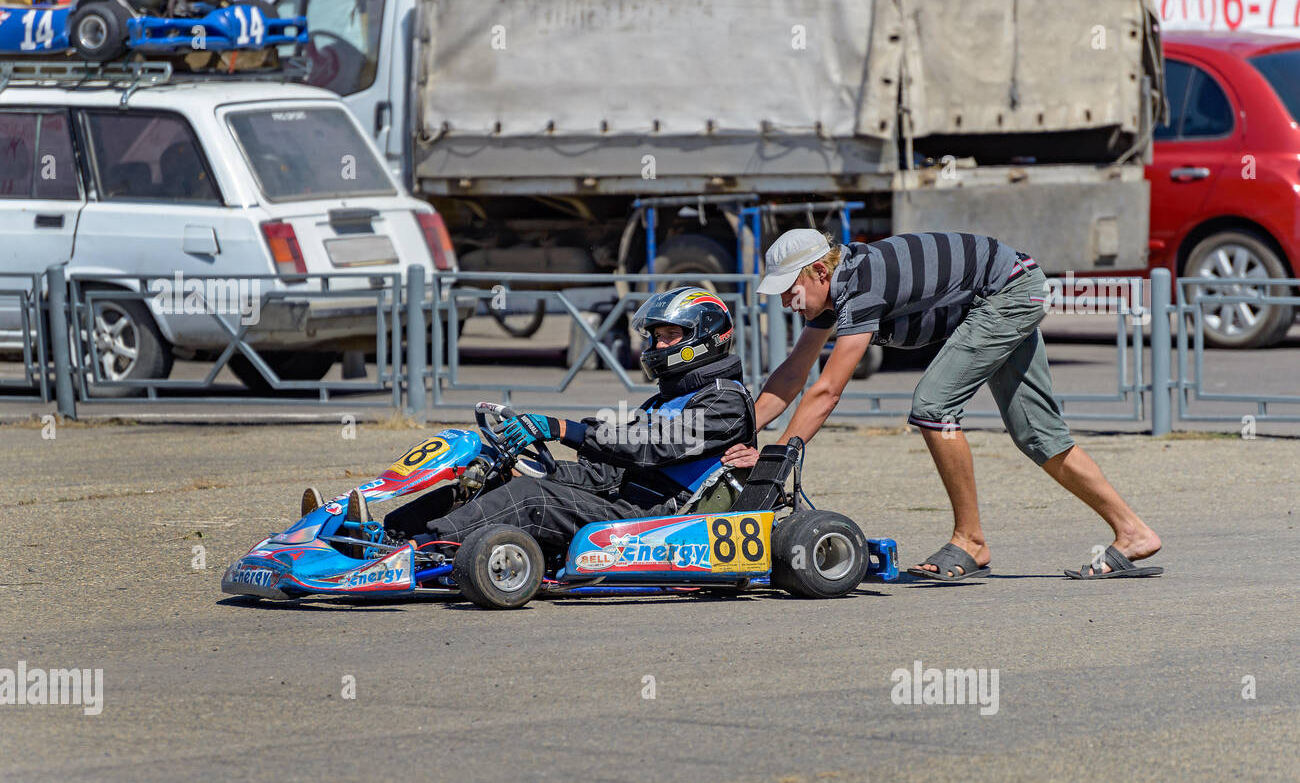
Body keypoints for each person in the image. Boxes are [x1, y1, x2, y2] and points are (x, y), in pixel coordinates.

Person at [722, 229, 1163, 581]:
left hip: (1007, 291)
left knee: (934, 406)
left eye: (788, 289)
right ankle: (1134, 532)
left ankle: (970, 540)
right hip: (1006, 286)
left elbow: (828, 389)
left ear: (819, 271)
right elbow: (794, 373)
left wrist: (779, 454)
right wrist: (740, 434)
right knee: (1037, 433)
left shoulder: (860, 286)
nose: (784, 302)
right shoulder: (834, 291)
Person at [303, 287, 755, 556]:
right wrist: (546, 466)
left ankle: (414, 551)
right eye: (655, 336)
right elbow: (608, 471)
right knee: (491, 474)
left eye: (670, 335)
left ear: (706, 340)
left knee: (533, 497)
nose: (658, 345)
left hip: (659, 521)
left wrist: (561, 429)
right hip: (626, 499)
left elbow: (644, 446)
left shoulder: (725, 404)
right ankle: (379, 533)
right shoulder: (670, 398)